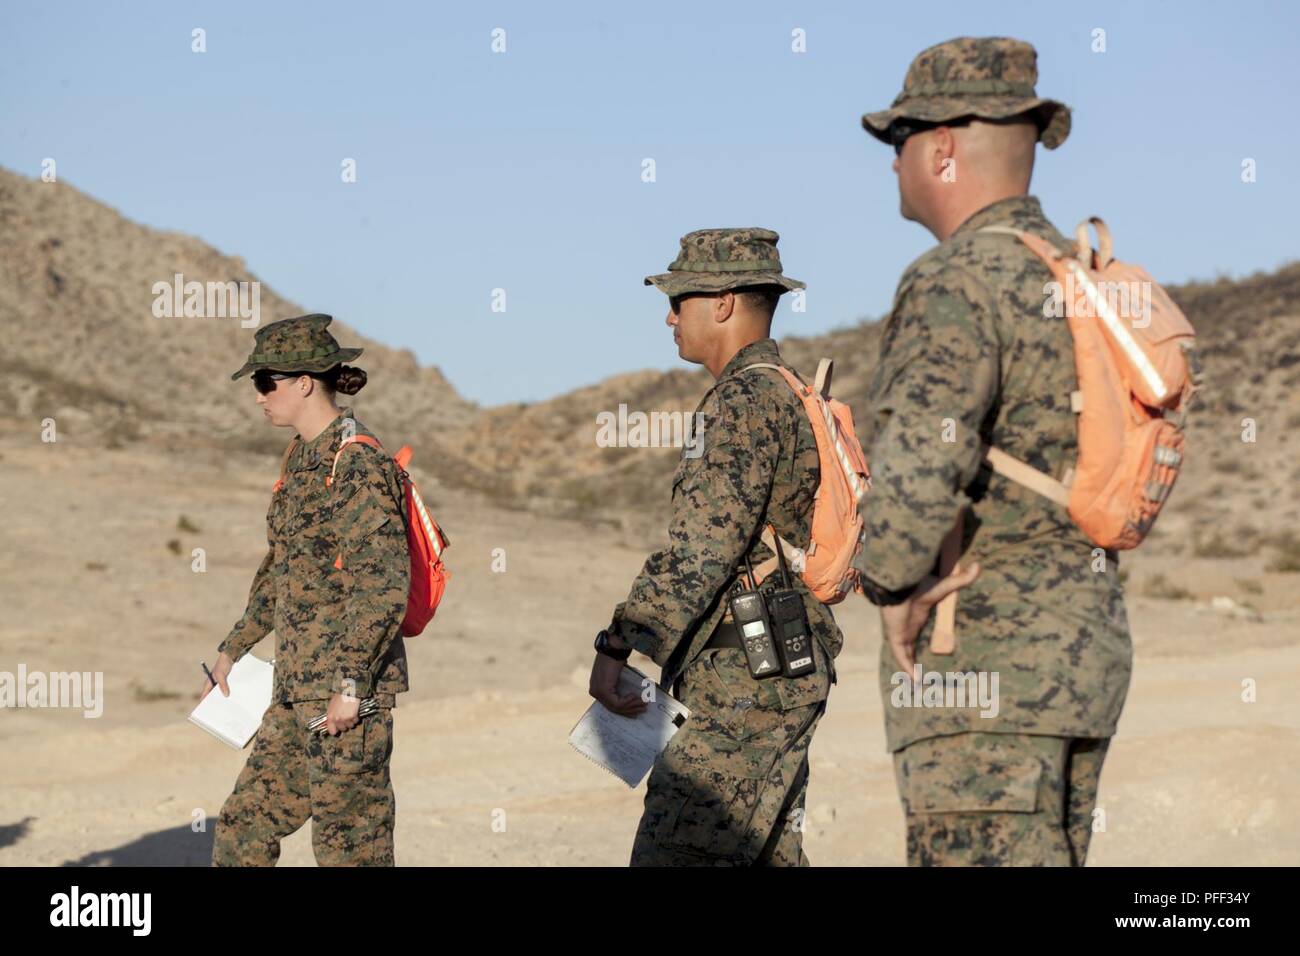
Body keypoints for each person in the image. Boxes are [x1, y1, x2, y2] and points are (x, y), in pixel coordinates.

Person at [854, 36, 1130, 865]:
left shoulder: (956, 278)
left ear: (940, 147)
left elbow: (915, 480)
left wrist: (889, 585)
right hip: (1083, 655)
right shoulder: (1081, 274)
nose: (893, 163)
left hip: (981, 666)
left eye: (898, 142)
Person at [590, 227, 839, 866]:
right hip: (780, 664)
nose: (670, 317)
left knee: (678, 854)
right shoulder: (788, 389)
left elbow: (701, 550)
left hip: (744, 678)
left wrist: (618, 645)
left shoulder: (743, 401)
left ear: (724, 302)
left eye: (682, 300)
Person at [204, 313, 411, 866]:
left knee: (350, 853)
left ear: (302, 383)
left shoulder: (357, 461)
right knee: (244, 827)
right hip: (295, 691)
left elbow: (383, 581)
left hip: (346, 697)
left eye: (264, 383)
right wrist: (234, 646)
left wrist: (351, 683)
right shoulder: (301, 459)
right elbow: (283, 567)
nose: (257, 398)